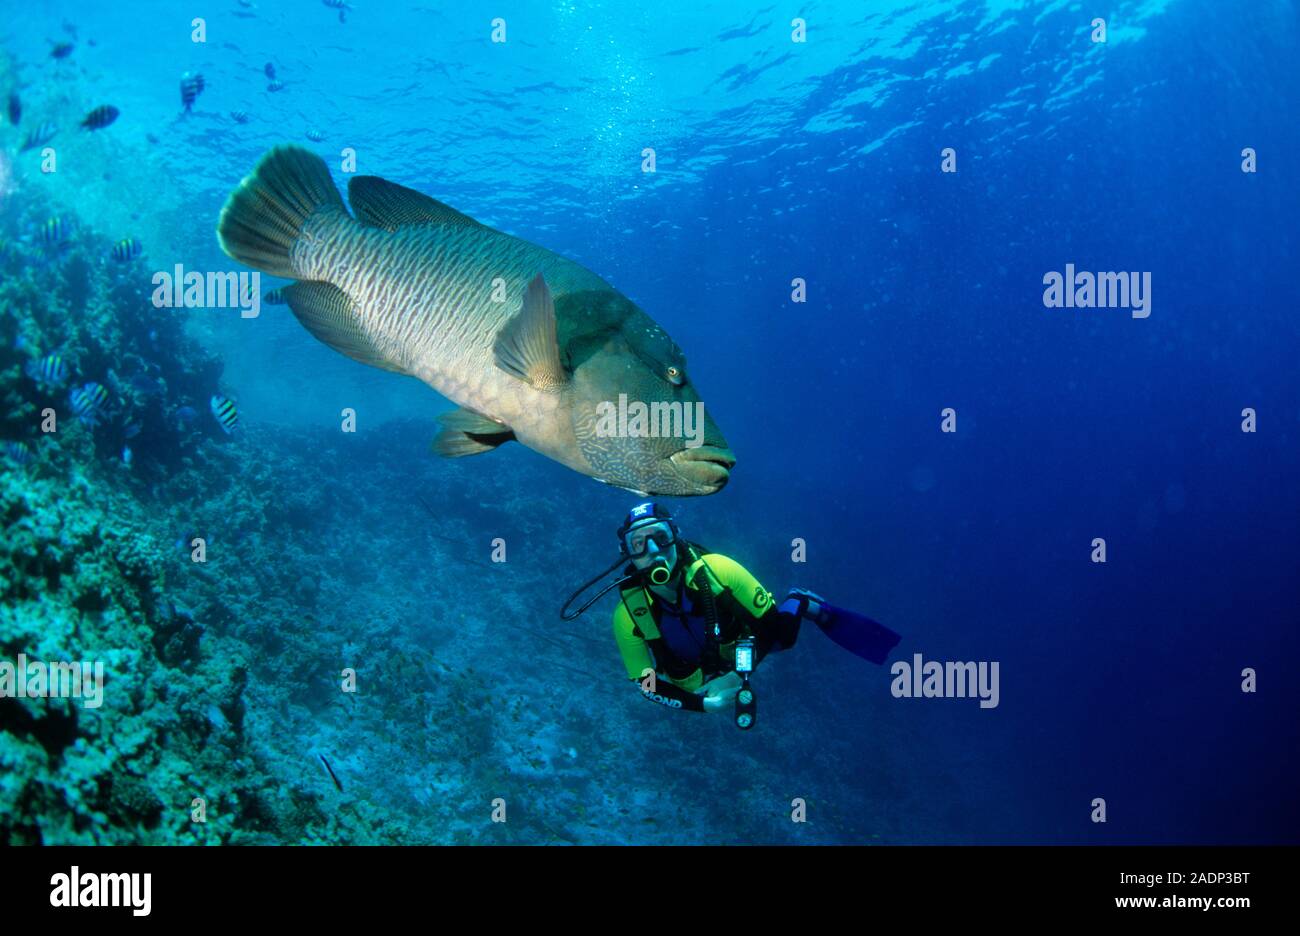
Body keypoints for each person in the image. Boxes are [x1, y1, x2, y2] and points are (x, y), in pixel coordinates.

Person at [610, 502, 830, 714]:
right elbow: (647, 683)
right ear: (627, 552)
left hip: (736, 649)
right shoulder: (628, 614)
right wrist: (703, 705)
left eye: (661, 537)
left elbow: (771, 628)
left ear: (675, 537)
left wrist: (736, 675)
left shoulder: (720, 571)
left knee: (785, 638)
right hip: (690, 676)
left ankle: (797, 600)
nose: (653, 550)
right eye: (638, 543)